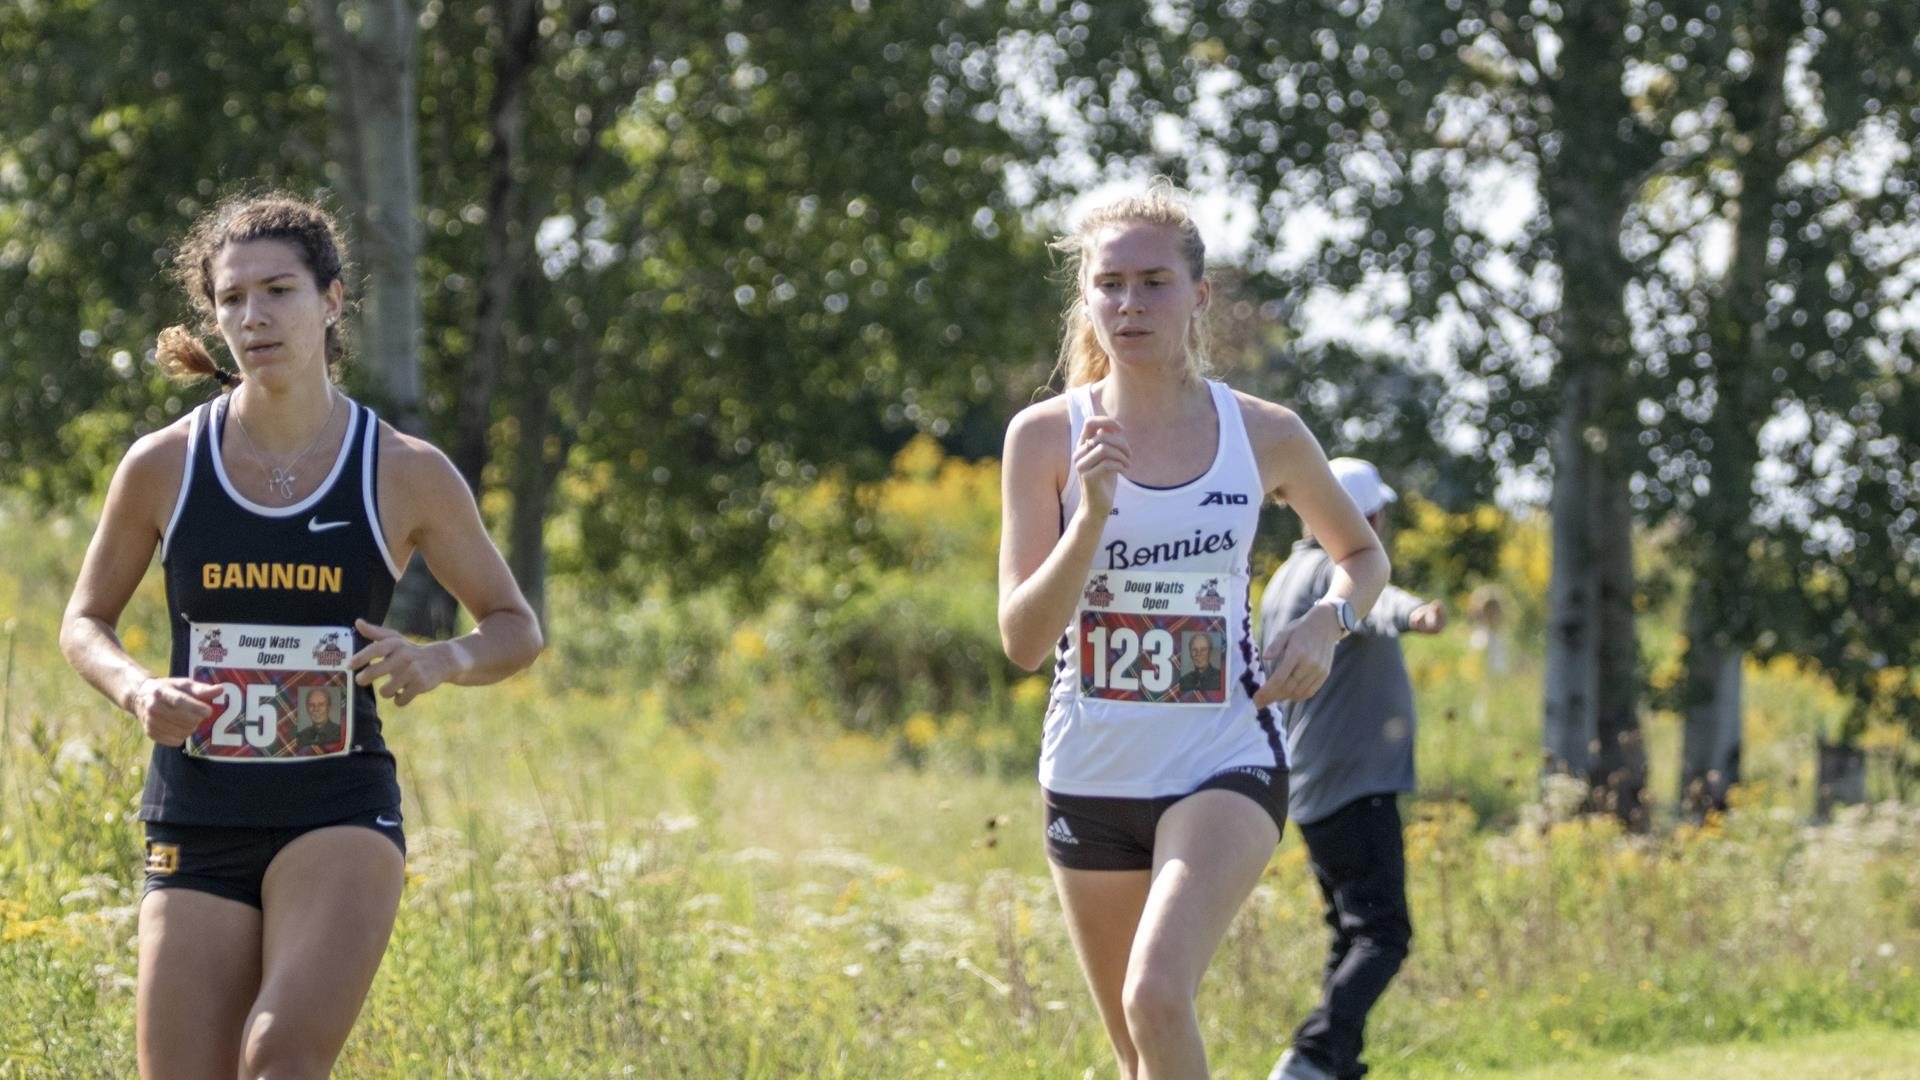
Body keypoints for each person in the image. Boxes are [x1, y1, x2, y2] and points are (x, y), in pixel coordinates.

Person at [59, 192, 543, 1079]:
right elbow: (85, 621)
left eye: (278, 291)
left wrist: (440, 659)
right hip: (198, 811)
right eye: (231, 298)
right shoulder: (163, 464)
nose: (254, 316)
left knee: (278, 1057)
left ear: (331, 301)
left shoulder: (403, 470)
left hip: (338, 808)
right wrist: (137, 690)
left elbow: (516, 628)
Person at [996, 182, 1389, 1080]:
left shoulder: (1264, 433)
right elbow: (1022, 641)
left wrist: (1326, 624)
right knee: (1139, 1057)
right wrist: (1092, 518)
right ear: (1087, 297)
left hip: (1224, 759)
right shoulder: (1045, 438)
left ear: (1199, 294)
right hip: (1089, 776)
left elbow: (1363, 555)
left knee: (1156, 997)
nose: (1130, 304)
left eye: (1154, 282)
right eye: (1110, 284)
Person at [1257, 457, 1446, 1080]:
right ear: (1368, 518)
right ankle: (1312, 1055)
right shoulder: (1332, 574)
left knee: (1349, 933)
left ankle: (1334, 1064)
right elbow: (1377, 599)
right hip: (1354, 785)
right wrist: (1415, 614)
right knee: (1383, 934)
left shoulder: (1285, 576)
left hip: (1312, 785)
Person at [295, 686, 344, 752]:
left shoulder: (339, 733)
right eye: (311, 705)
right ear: (307, 708)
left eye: (321, 705)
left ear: (329, 707)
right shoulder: (301, 736)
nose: (316, 709)